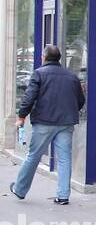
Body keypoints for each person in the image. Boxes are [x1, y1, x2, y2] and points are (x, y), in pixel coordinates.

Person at [9, 45, 85, 205]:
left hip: (44, 122)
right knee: (64, 158)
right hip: (66, 122)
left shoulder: (39, 74)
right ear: (59, 58)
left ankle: (20, 190)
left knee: (33, 156)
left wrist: (21, 116)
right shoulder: (71, 76)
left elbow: (29, 97)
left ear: (43, 57)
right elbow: (80, 100)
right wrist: (68, 113)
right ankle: (63, 196)